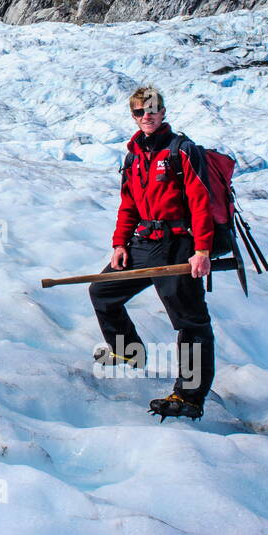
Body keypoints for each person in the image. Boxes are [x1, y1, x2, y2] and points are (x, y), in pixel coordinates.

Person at [88, 86, 215, 421]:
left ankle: (190, 398)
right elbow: (128, 203)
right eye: (139, 111)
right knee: (102, 292)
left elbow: (200, 201)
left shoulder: (181, 151)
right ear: (133, 115)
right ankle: (128, 353)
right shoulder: (134, 155)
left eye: (152, 109)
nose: (146, 116)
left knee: (190, 321)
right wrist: (120, 244)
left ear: (163, 112)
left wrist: (202, 249)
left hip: (178, 244)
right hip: (144, 242)